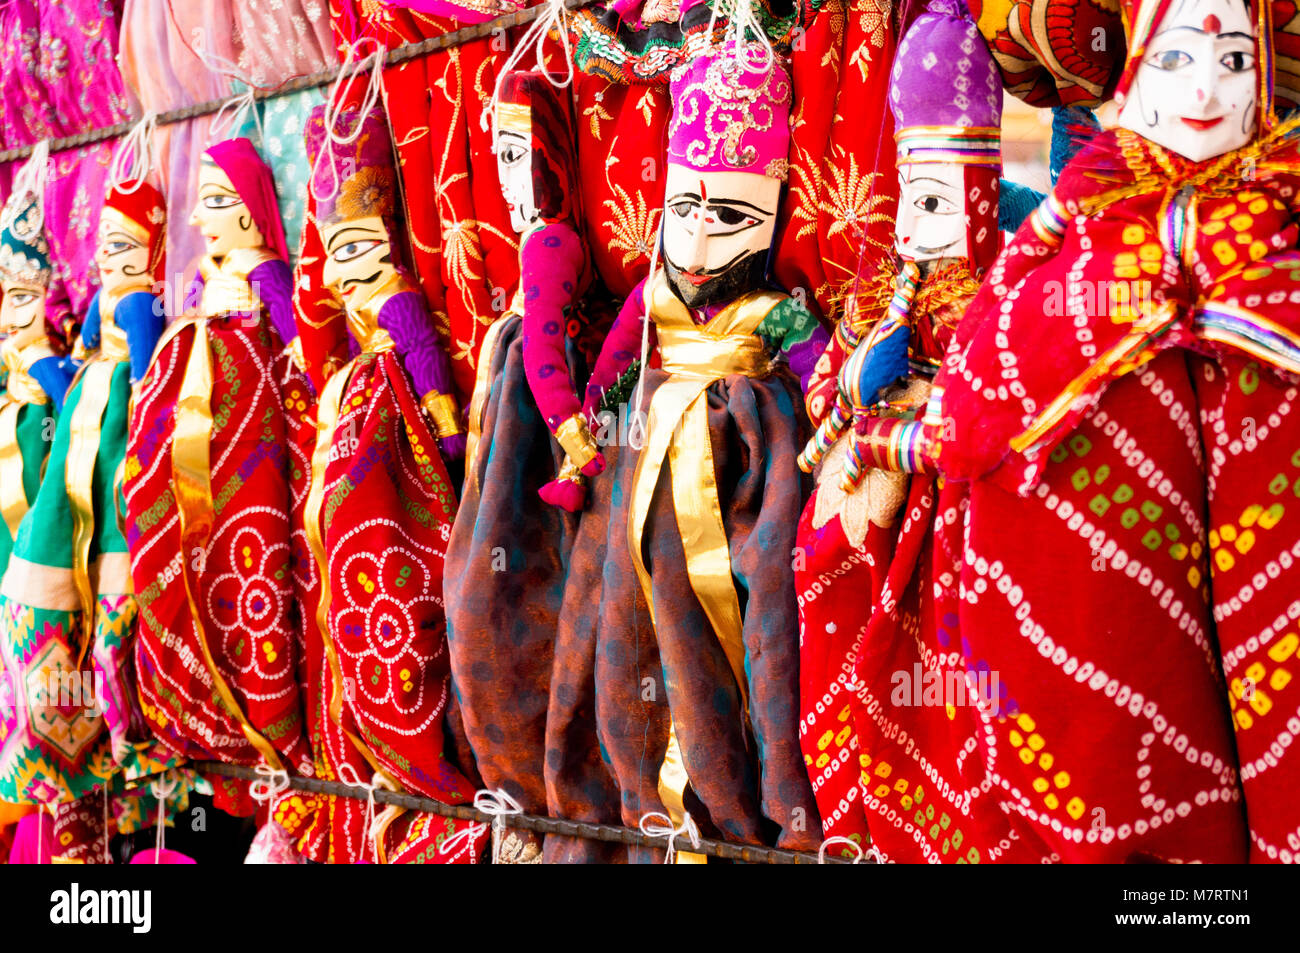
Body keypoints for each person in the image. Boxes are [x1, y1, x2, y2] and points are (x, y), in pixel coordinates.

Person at [572, 41, 828, 860]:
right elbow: (614, 368)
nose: (696, 239)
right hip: (645, 473)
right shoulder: (653, 299)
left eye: (729, 217)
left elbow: (820, 366)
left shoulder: (772, 310)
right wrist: (587, 427)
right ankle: (661, 795)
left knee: (761, 623)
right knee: (641, 619)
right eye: (684, 208)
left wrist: (842, 417)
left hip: (753, 466)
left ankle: (754, 797)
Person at [793, 0, 1005, 855]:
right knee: (833, 656)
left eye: (939, 201)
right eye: (910, 200)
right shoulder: (880, 288)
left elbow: (990, 423)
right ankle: (848, 818)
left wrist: (891, 429)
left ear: (984, 192)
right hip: (851, 521)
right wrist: (851, 386)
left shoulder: (1004, 296)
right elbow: (818, 403)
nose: (917, 227)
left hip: (949, 521)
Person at [301, 103, 484, 863]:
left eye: (359, 248)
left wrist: (446, 443)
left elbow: (431, 371)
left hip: (404, 469)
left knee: (401, 607)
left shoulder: (402, 312)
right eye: (333, 255)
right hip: (362, 470)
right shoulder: (347, 362)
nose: (345, 272)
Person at [125, 137, 313, 815]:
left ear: (251, 208)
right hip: (199, 444)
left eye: (215, 202)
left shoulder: (266, 276)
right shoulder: (207, 279)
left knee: (249, 563)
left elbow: (298, 349)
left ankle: (258, 709)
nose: (202, 221)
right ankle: (196, 697)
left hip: (251, 442)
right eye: (200, 204)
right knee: (187, 560)